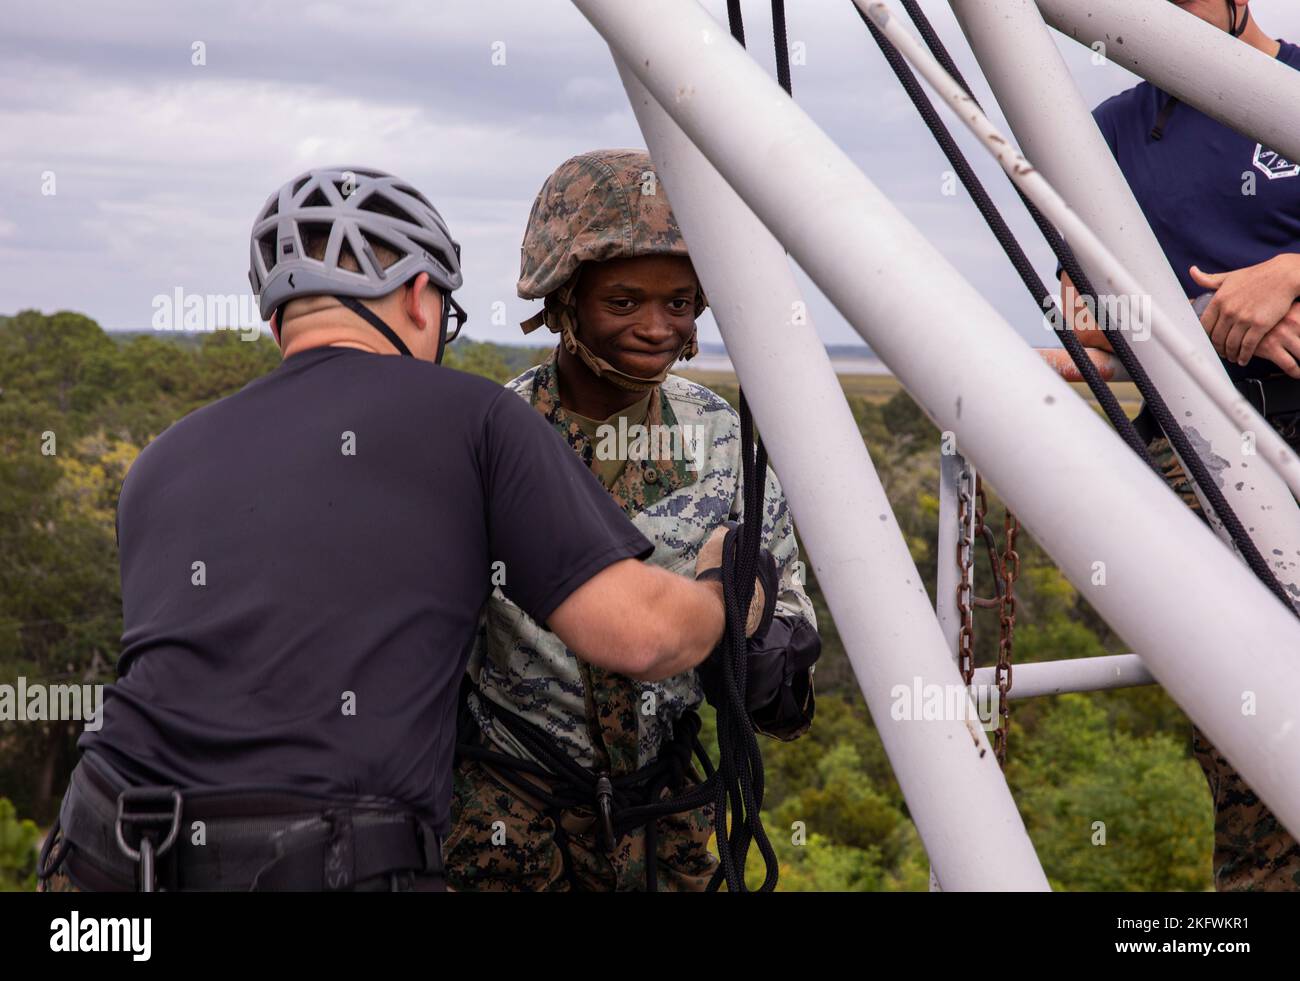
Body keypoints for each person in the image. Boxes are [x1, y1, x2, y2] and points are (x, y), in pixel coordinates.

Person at [36, 165, 778, 892]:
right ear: (422, 297)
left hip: (102, 839)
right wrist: (721, 586)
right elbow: (639, 634)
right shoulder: (479, 418)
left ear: (275, 320)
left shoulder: (160, 460)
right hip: (322, 854)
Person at [443, 149, 821, 892]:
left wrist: (747, 633)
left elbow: (785, 681)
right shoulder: (493, 435)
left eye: (678, 303)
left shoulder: (722, 441)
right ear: (564, 301)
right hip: (509, 819)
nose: (657, 327)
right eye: (624, 301)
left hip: (666, 816)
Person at [1061, 1, 1300, 890]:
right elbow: (1080, 309)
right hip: (1207, 444)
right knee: (1251, 722)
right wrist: (1215, 322)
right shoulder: (1113, 131)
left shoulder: (1296, 86)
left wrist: (1287, 273)